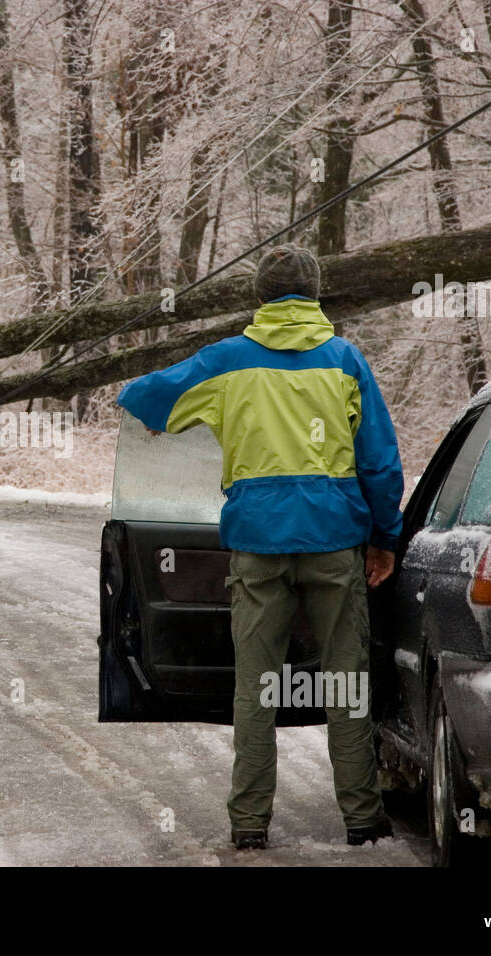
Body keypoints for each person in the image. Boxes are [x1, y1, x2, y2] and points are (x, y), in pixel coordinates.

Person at [116, 245, 404, 850]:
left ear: (261, 296)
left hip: (257, 543)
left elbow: (144, 397)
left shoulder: (228, 361)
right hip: (334, 542)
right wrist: (384, 538)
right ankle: (361, 817)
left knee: (256, 687)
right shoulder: (345, 361)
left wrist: (176, 416)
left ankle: (249, 824)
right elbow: (379, 463)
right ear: (316, 294)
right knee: (345, 682)